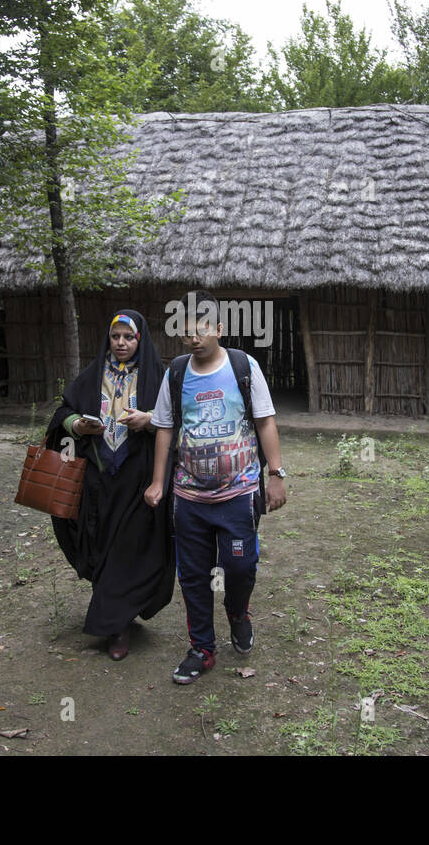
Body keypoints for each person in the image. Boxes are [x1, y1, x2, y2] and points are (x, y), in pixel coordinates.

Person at [145, 290, 288, 684]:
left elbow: (265, 421)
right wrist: (158, 482)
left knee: (240, 567)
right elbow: (164, 429)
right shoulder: (176, 372)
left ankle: (238, 613)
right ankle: (202, 648)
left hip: (239, 492)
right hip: (189, 495)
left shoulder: (243, 366)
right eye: (187, 331)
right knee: (193, 575)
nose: (193, 337)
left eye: (202, 329)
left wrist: (275, 474)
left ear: (219, 329)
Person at [45, 310, 173, 660]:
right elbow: (62, 413)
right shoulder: (91, 376)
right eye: (115, 337)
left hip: (139, 477)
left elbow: (175, 420)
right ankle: (118, 613)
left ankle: (115, 626)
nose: (121, 343)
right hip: (98, 478)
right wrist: (77, 425)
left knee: (128, 546)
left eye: (128, 338)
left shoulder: (157, 377)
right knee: (101, 544)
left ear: (140, 340)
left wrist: (149, 420)